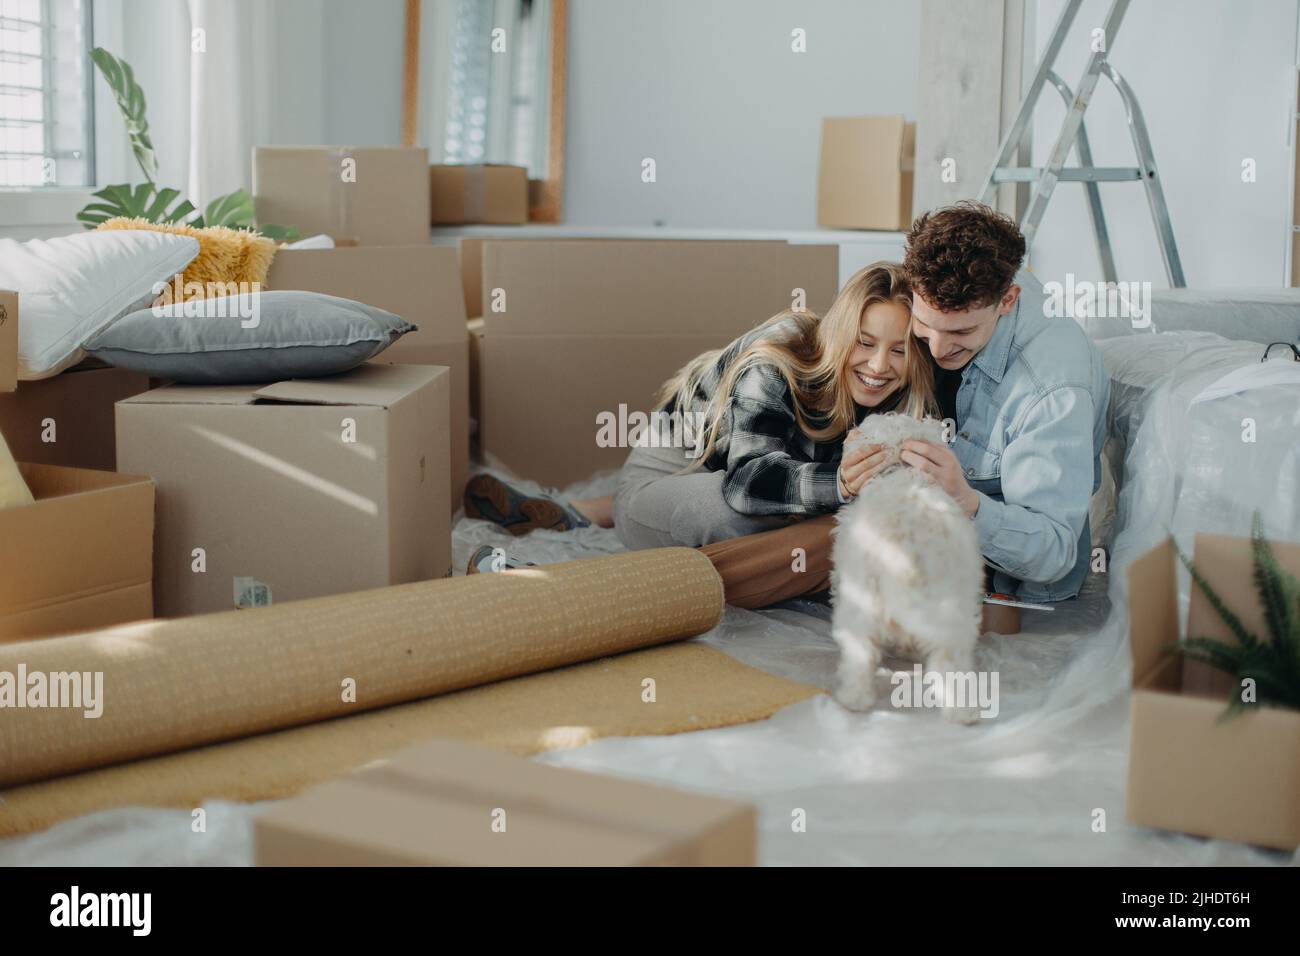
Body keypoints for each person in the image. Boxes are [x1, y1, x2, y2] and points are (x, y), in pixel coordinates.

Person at [464, 261, 936, 576]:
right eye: (865, 342)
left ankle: (580, 512)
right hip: (675, 474)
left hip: (710, 460)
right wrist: (842, 486)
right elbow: (748, 483)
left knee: (821, 516)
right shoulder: (776, 358)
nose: (879, 366)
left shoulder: (906, 385)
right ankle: (601, 527)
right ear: (839, 331)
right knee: (733, 513)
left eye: (899, 350)